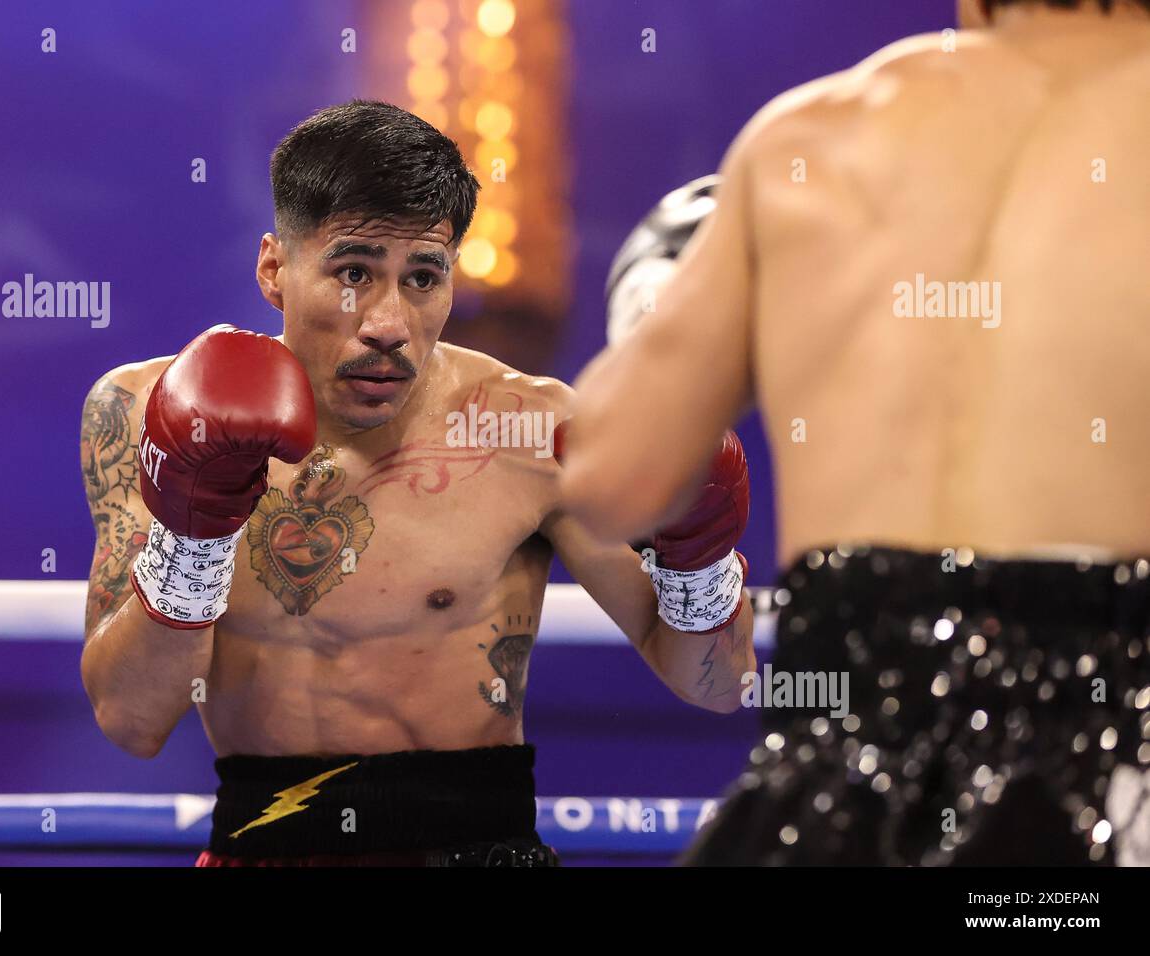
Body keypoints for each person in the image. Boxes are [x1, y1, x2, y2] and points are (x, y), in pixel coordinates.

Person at [79, 99, 755, 867]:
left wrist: (698, 561)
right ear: (274, 268)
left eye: (423, 276)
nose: (389, 322)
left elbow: (717, 685)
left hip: (476, 848)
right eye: (354, 272)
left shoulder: (535, 433)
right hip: (260, 844)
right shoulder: (144, 413)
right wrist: (193, 543)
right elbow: (130, 722)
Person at [563, 0, 1150, 865]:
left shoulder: (809, 138)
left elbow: (612, 482)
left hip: (835, 788)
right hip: (1108, 783)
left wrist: (656, 304)